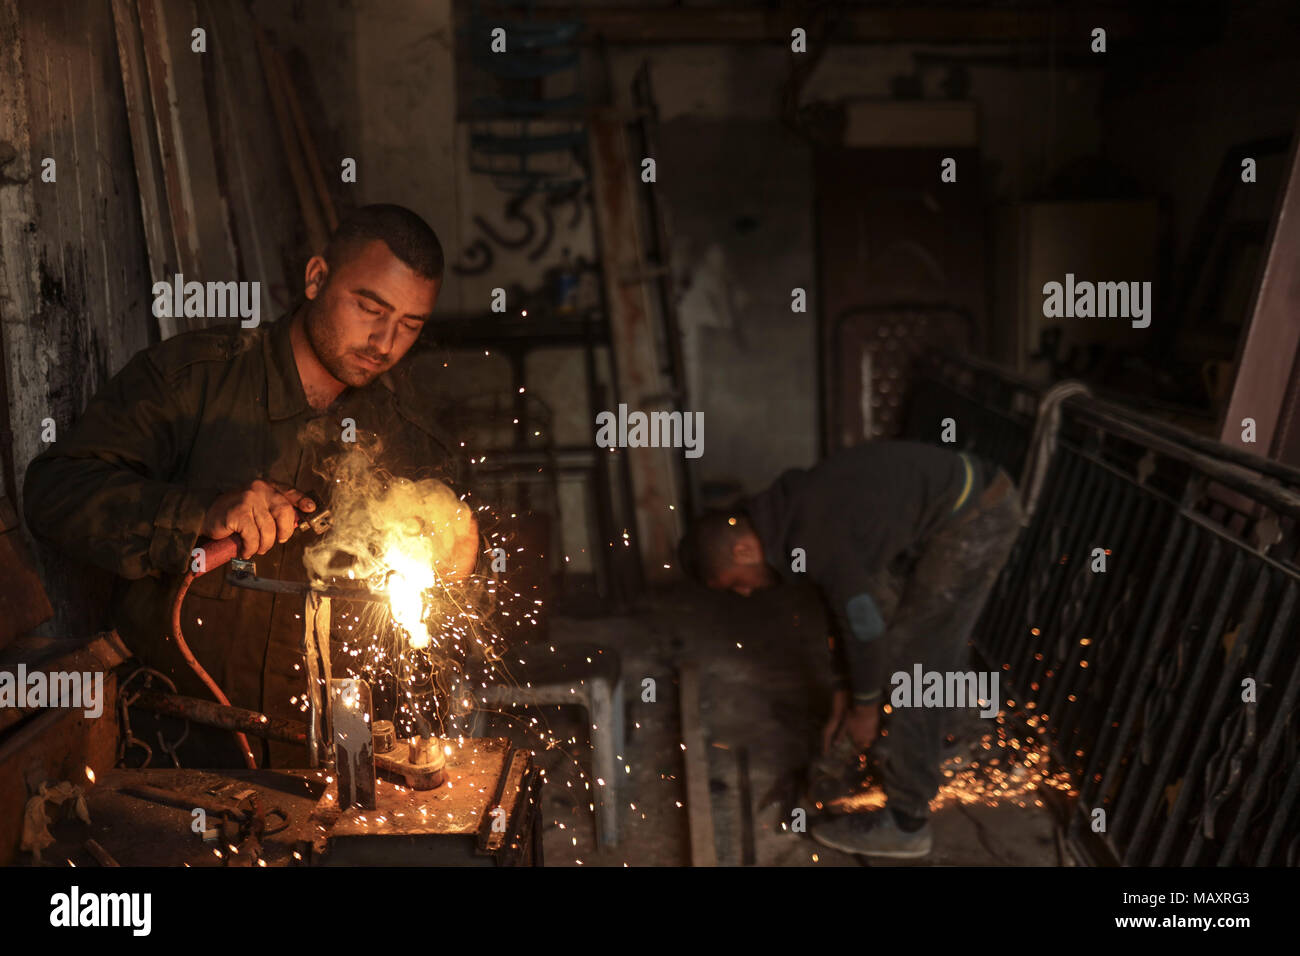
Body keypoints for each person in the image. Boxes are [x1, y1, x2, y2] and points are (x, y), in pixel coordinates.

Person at [23, 204, 477, 768]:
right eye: (369, 307)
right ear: (316, 279)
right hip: (171, 754)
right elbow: (53, 493)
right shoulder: (195, 382)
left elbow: (450, 609)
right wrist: (198, 513)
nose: (385, 342)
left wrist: (456, 553)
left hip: (331, 765)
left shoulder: (408, 439)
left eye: (410, 325)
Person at [678, 439, 1024, 858]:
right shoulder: (786, 520)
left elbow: (863, 628)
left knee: (913, 663)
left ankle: (906, 821)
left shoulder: (811, 528)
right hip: (955, 509)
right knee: (910, 638)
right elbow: (838, 608)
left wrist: (865, 710)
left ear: (743, 549)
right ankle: (949, 737)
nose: (747, 593)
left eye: (738, 582)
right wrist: (845, 692)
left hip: (976, 515)